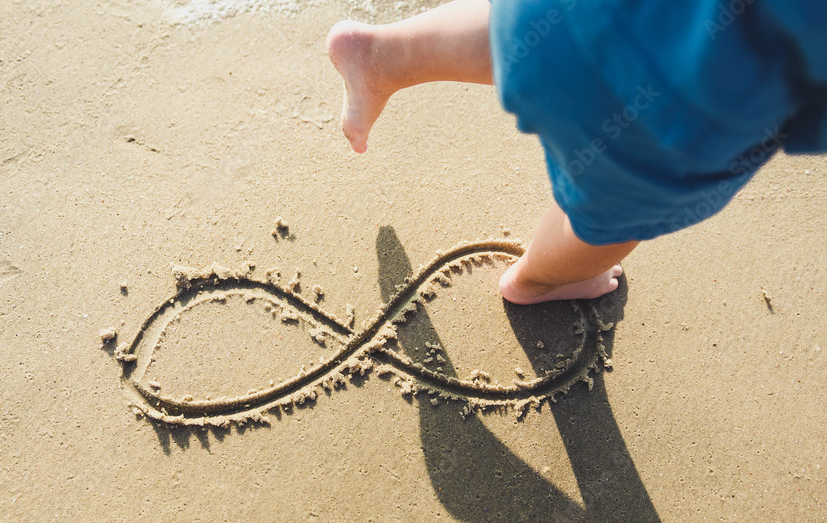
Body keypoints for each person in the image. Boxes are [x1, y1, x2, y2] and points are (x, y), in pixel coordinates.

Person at [326, 0, 826, 304]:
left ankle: (382, 58)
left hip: (578, 16)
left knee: (516, 34)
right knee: (607, 222)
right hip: (671, 113)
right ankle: (537, 282)